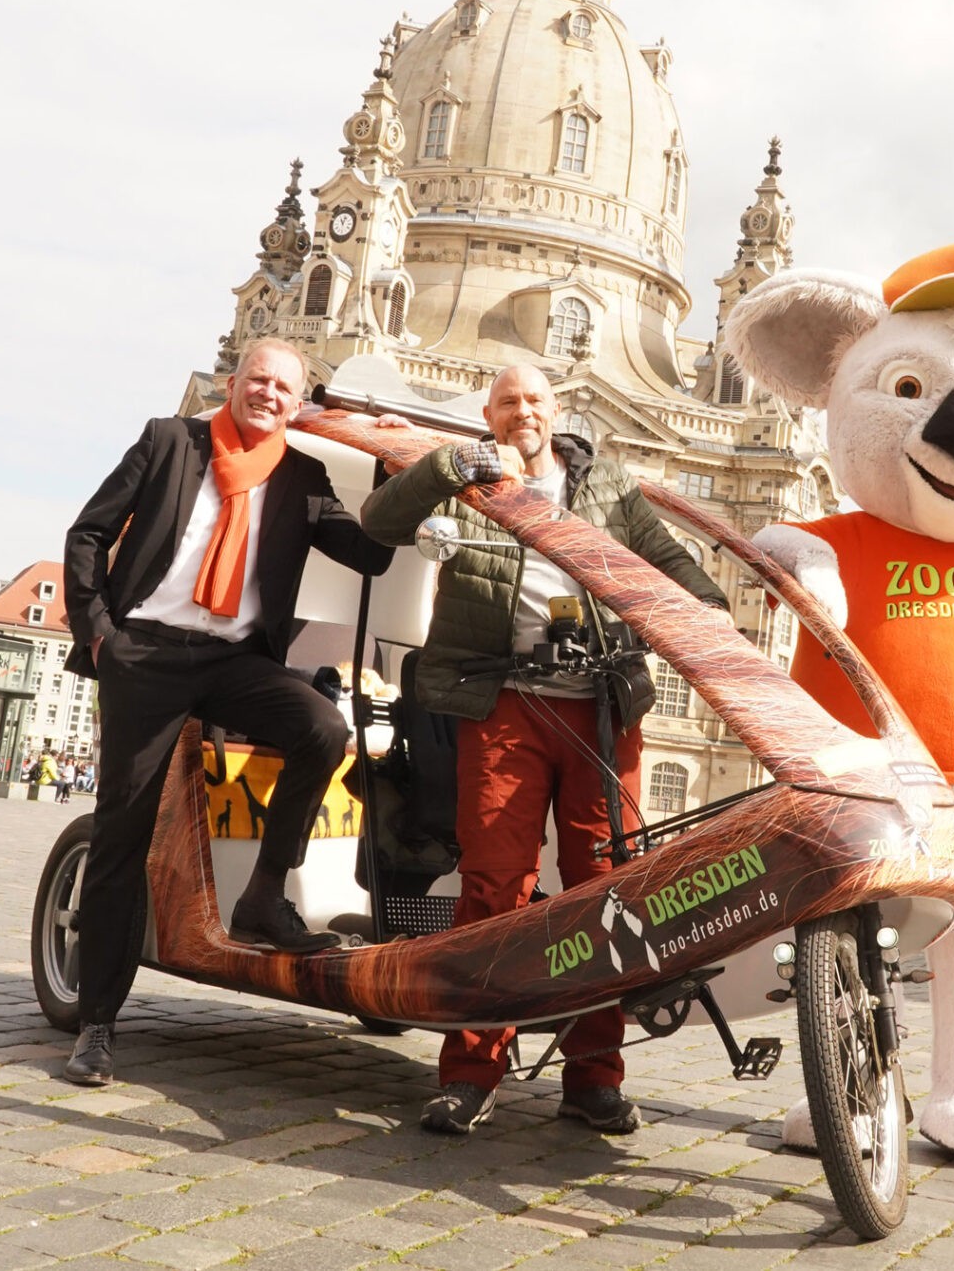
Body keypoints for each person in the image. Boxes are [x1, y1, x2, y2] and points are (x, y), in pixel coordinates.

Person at [361, 364, 728, 1138]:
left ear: (554, 412)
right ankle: (470, 1074)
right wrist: (442, 466)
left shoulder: (606, 486)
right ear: (487, 414)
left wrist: (713, 614)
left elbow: (668, 560)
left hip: (599, 708)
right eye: (506, 403)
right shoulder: (468, 479)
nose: (521, 412)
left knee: (606, 888)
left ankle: (593, 1079)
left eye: (533, 401)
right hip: (502, 703)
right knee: (494, 885)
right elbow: (380, 522)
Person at [61, 337, 393, 1088]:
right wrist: (101, 633)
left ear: (298, 402)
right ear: (235, 383)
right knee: (124, 834)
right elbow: (88, 533)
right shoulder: (170, 441)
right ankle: (97, 1024)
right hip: (143, 652)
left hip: (235, 659)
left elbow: (370, 555)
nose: (268, 394)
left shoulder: (304, 476)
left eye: (284, 387)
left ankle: (263, 896)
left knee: (323, 728)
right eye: (258, 380)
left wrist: (413, 480)